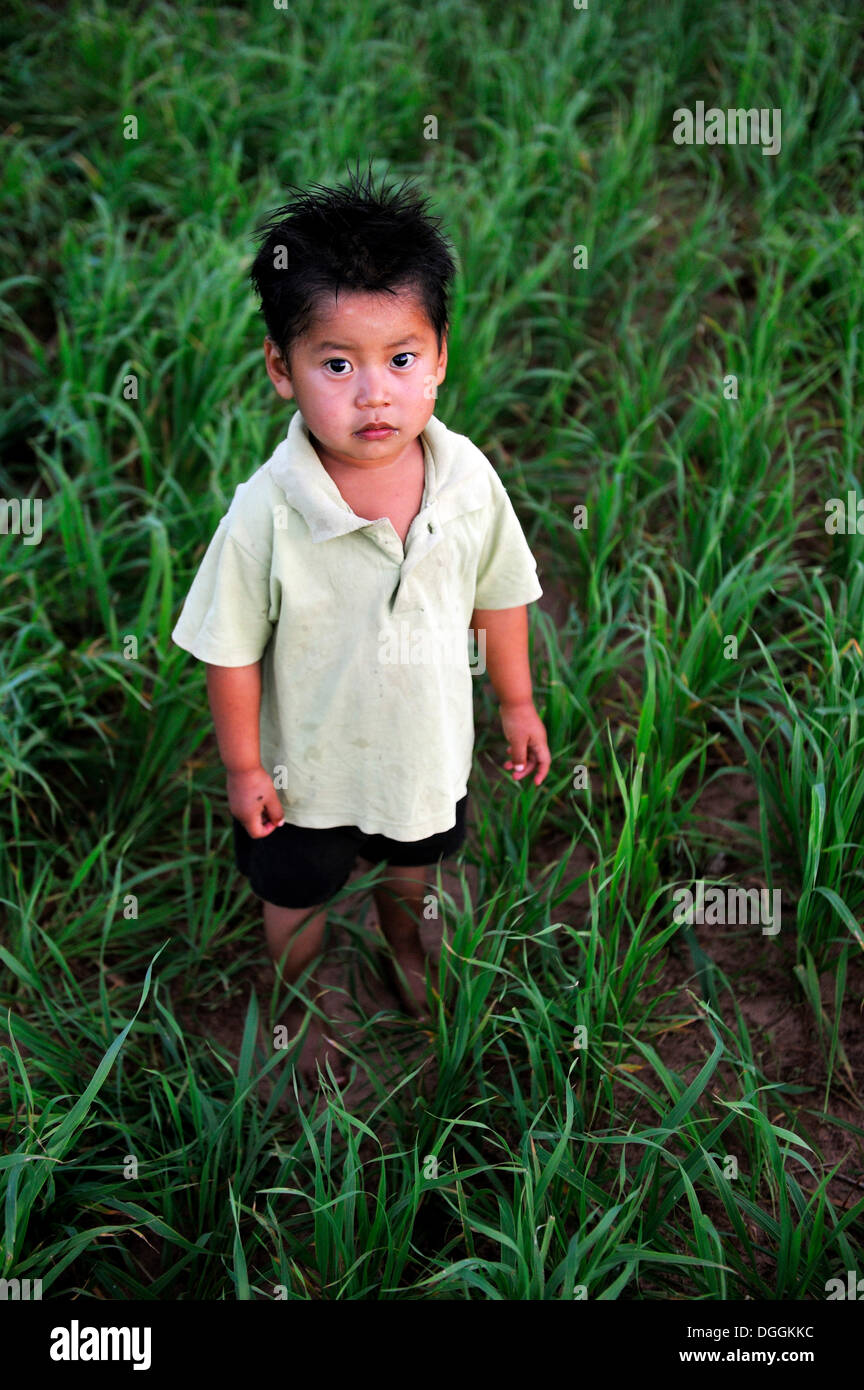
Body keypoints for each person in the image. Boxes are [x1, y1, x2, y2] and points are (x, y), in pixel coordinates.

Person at [171, 163, 551, 1086]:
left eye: (401, 359)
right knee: (293, 893)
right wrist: (245, 767)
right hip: (304, 771)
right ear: (281, 368)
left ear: (442, 355)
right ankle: (296, 991)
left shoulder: (466, 485)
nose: (374, 393)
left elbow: (500, 594)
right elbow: (229, 649)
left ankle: (405, 956)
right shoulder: (267, 511)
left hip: (423, 756)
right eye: (337, 363)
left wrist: (516, 704)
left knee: (411, 876)